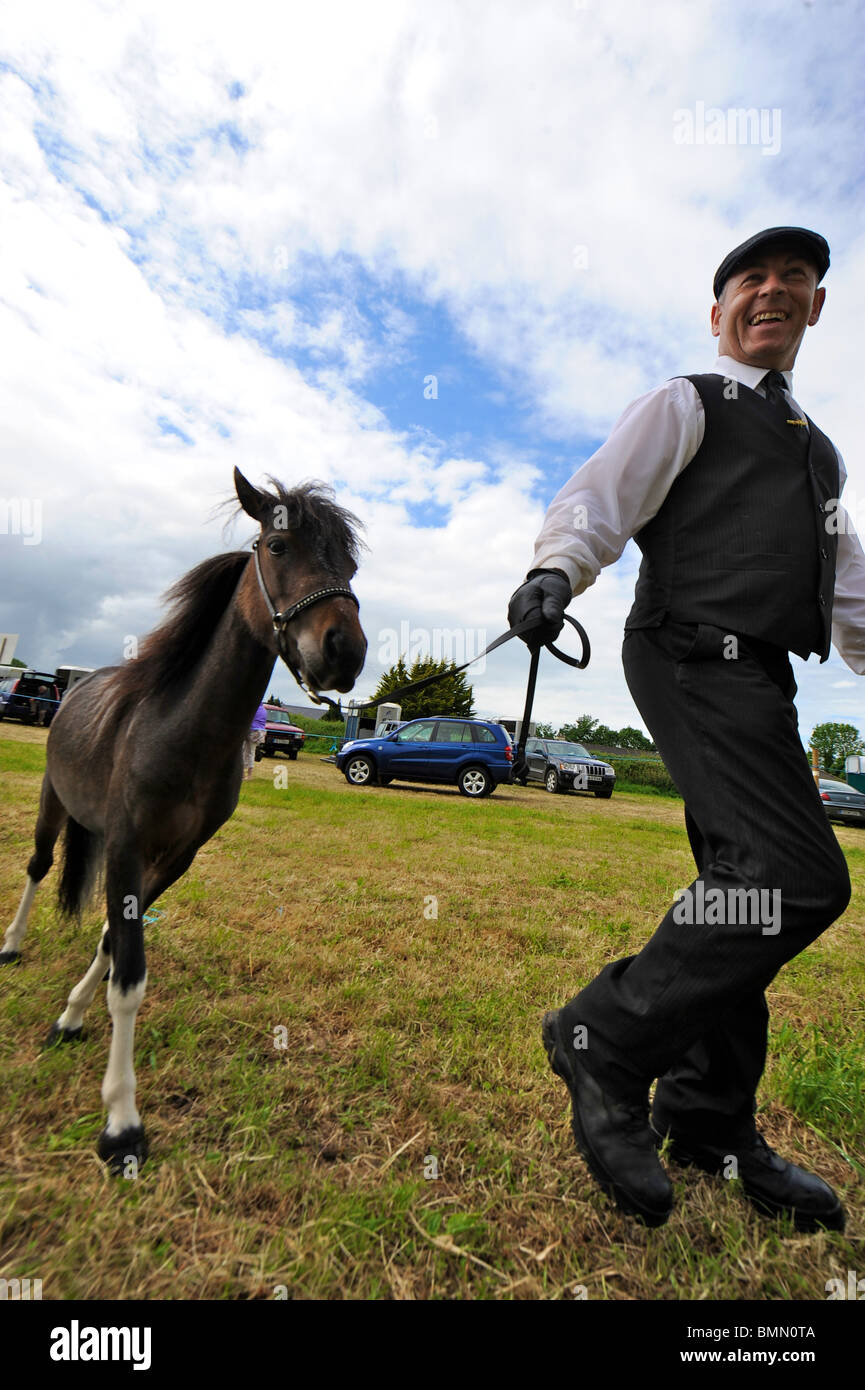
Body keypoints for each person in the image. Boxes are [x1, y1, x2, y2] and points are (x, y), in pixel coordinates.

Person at [508, 227, 865, 1231]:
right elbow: (601, 494)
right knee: (796, 878)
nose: (772, 290)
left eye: (794, 278)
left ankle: (707, 1121)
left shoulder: (820, 453)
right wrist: (554, 572)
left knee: (742, 895)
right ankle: (603, 1036)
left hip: (762, 677)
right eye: (750, 278)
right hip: (686, 648)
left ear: (816, 307)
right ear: (718, 313)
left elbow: (849, 594)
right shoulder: (685, 402)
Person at [243, 701, 268, 779]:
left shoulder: (253, 708)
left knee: (243, 751)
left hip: (251, 730)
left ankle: (243, 774)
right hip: (260, 733)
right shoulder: (264, 710)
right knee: (251, 752)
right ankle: (249, 775)